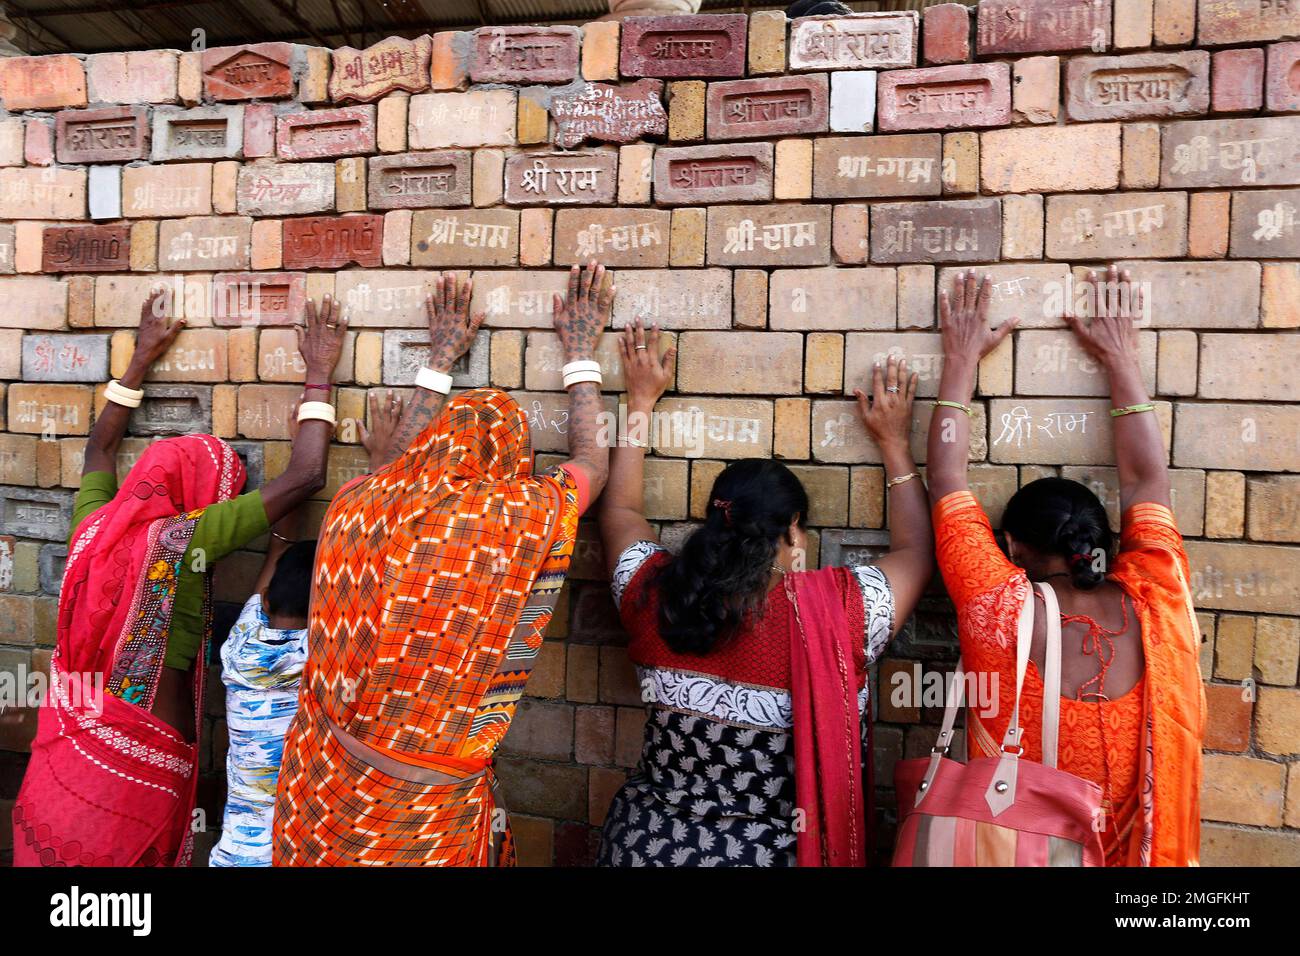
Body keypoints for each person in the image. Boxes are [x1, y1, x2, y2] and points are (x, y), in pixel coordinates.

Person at [273, 264, 611, 866]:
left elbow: (396, 468)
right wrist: (581, 352)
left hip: (319, 790)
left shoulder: (356, 508)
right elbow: (593, 464)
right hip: (417, 821)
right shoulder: (513, 518)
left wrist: (439, 359)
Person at [12, 291, 348, 867]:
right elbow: (308, 474)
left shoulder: (96, 529)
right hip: (134, 757)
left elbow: (99, 448)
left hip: (68, 746)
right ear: (203, 499)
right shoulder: (181, 541)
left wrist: (141, 357)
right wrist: (319, 372)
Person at [595, 321, 934, 866]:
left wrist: (639, 400)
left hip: (644, 846)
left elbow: (619, 513)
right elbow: (918, 550)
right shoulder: (839, 612)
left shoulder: (653, 592)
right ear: (793, 531)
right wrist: (894, 443)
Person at [926, 265, 1204, 866]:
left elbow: (946, 477)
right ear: (1106, 537)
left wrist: (960, 358)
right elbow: (1146, 477)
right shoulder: (1157, 600)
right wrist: (1121, 356)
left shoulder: (995, 606)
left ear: (1011, 546)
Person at [209, 505, 316, 868]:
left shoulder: (239, 644)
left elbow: (274, 561)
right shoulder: (318, 659)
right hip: (291, 852)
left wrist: (295, 498)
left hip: (233, 853)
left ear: (267, 601)